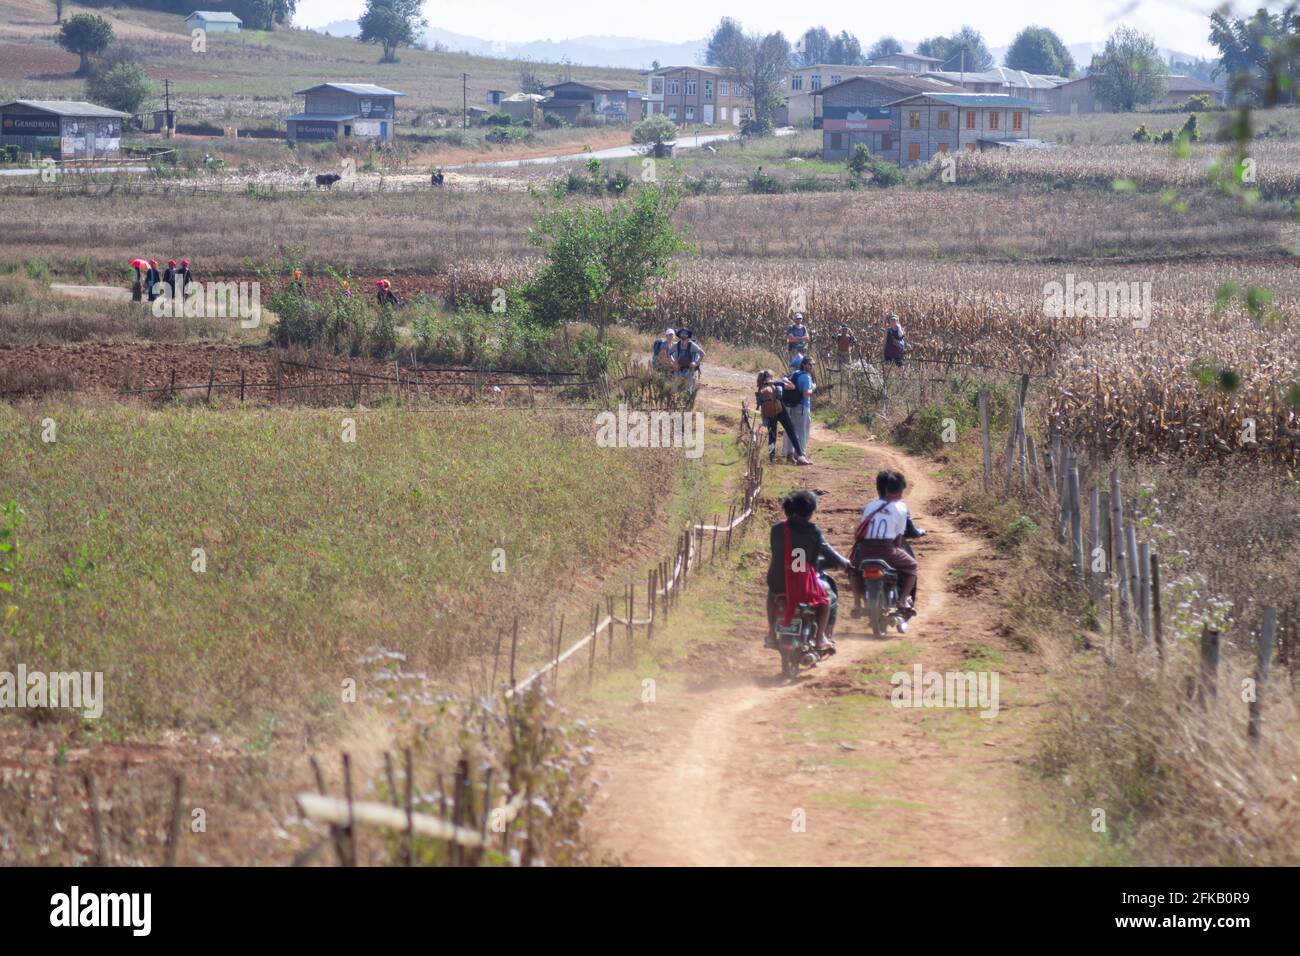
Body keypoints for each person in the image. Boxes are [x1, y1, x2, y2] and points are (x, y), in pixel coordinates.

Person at [766, 490, 850, 652]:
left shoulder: (776, 529)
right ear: (811, 512)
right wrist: (843, 563)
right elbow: (815, 559)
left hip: (778, 581)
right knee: (825, 600)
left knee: (772, 595)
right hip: (803, 584)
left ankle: (771, 634)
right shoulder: (813, 531)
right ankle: (820, 639)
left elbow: (777, 552)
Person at [850, 469, 920, 632]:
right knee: (912, 567)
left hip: (864, 550)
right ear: (900, 491)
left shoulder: (869, 506)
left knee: (853, 569)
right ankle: (902, 601)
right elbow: (898, 537)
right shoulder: (900, 507)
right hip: (886, 549)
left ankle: (856, 602)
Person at [756, 370, 811, 465]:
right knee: (791, 432)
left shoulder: (761, 387)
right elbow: (792, 387)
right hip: (780, 411)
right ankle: (800, 456)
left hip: (770, 414)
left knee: (772, 437)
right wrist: (786, 380)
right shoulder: (777, 383)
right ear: (770, 376)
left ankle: (771, 458)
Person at [782, 355, 815, 463]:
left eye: (812, 365)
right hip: (802, 407)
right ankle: (801, 455)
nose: (811, 366)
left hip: (792, 406)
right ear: (804, 365)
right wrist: (813, 389)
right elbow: (806, 393)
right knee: (803, 432)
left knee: (791, 431)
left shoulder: (795, 373)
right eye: (810, 364)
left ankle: (789, 455)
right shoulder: (806, 377)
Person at [668, 327, 704, 393]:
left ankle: (687, 400)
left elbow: (702, 353)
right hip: (679, 369)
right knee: (676, 389)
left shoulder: (692, 345)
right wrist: (673, 362)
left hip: (690, 370)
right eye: (682, 337)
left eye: (685, 337)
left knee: (688, 390)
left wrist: (695, 363)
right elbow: (669, 353)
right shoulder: (676, 345)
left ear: (688, 338)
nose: (683, 338)